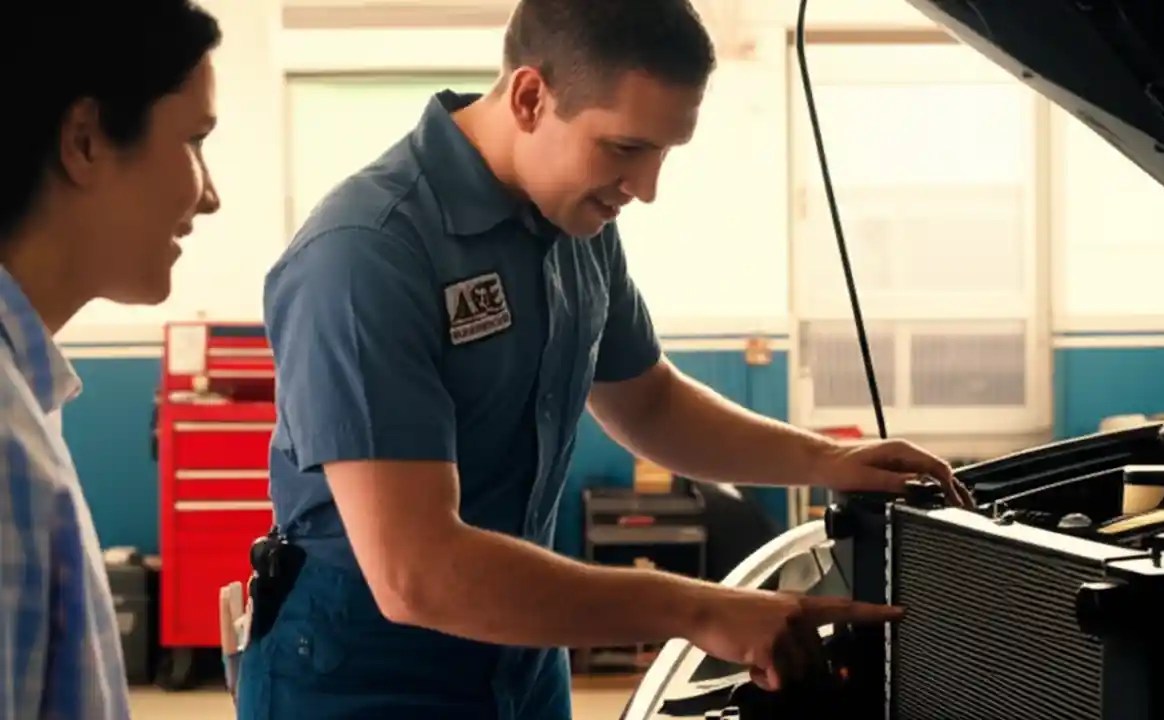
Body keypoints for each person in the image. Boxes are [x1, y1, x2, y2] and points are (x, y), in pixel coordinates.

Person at [238, 0, 973, 718]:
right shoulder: (368, 253)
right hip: (365, 669)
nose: (646, 188)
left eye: (662, 153)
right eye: (625, 148)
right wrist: (696, 608)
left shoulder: (573, 219)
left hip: (523, 645)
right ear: (531, 96)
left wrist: (825, 461)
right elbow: (415, 574)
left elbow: (646, 400)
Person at [1, 3, 223, 717]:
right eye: (194, 141)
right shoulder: (6, 450)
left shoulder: (29, 399)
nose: (210, 195)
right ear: (86, 141)